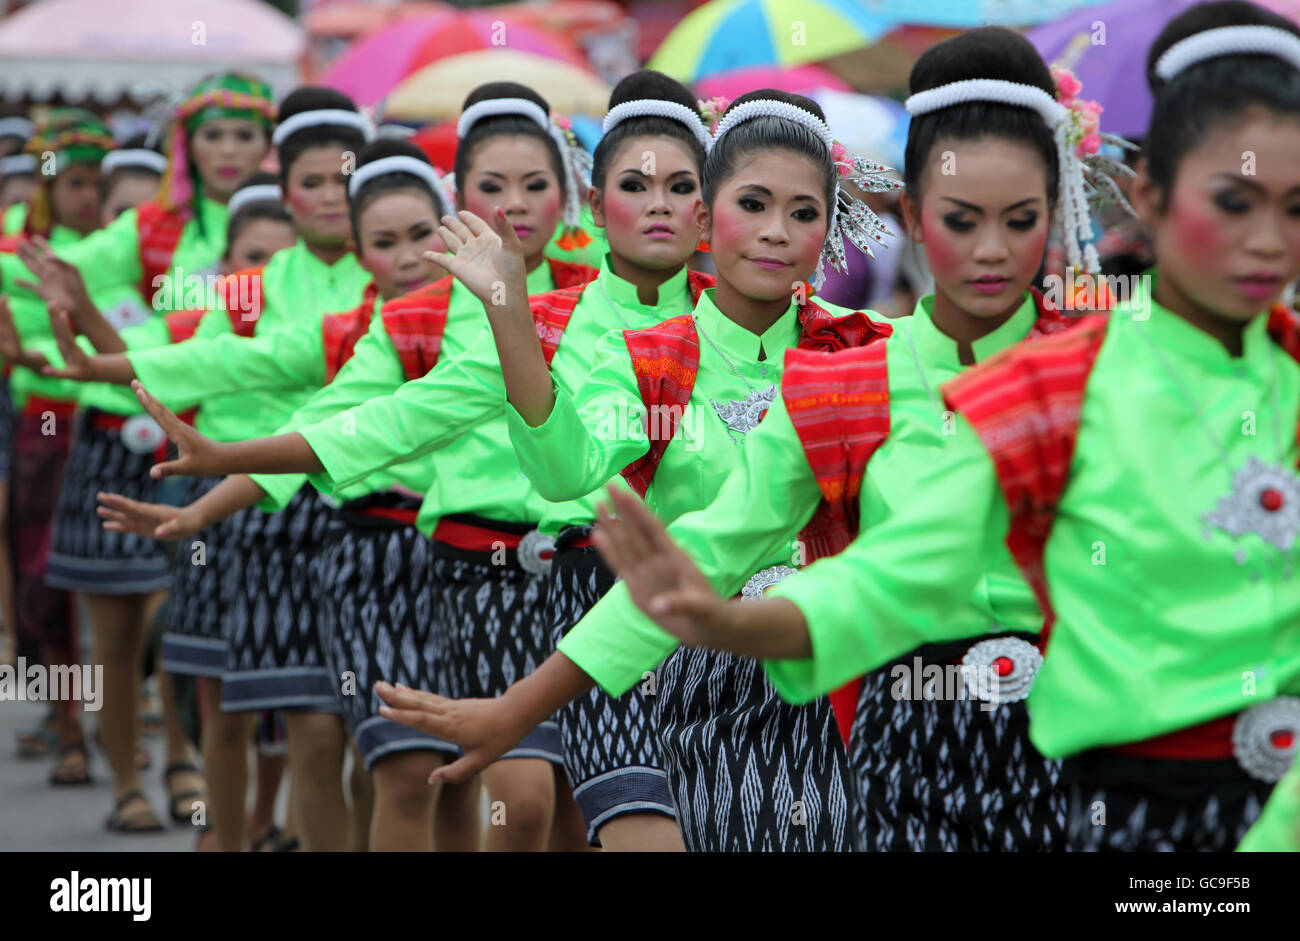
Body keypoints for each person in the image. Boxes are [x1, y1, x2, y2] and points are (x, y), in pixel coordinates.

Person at [570, 0, 1300, 853]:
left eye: (1018, 217)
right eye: (962, 216)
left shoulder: (1082, 370)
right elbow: (885, 574)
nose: (777, 233)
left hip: (1101, 762)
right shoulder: (877, 377)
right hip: (841, 710)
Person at [372, 88, 902, 852]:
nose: (776, 233)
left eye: (803, 212)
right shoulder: (649, 357)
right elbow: (566, 470)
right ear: (704, 216)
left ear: (831, 225)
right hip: (686, 668)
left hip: (841, 679)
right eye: (751, 203)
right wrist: (509, 311)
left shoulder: (871, 352)